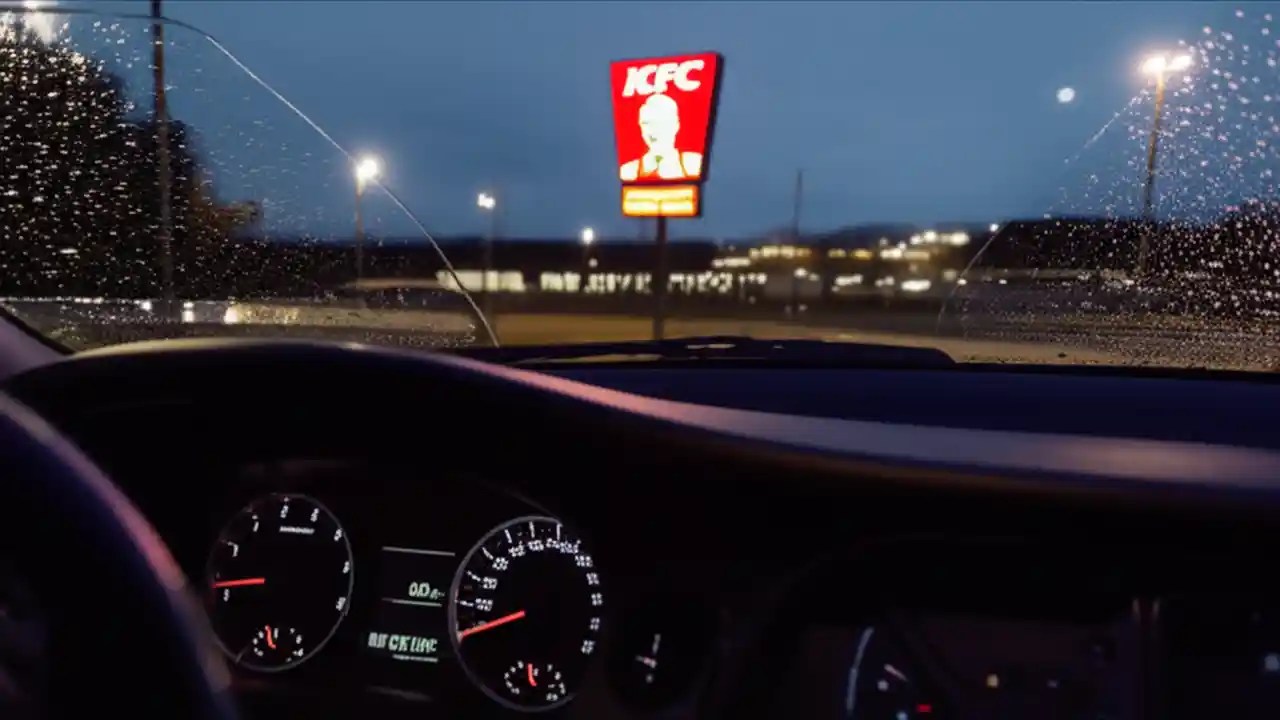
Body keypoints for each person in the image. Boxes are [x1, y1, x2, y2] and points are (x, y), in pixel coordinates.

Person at [619, 93, 703, 182]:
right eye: (646, 123)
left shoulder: (694, 164)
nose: (652, 131)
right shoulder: (628, 172)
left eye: (659, 123)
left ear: (676, 125)